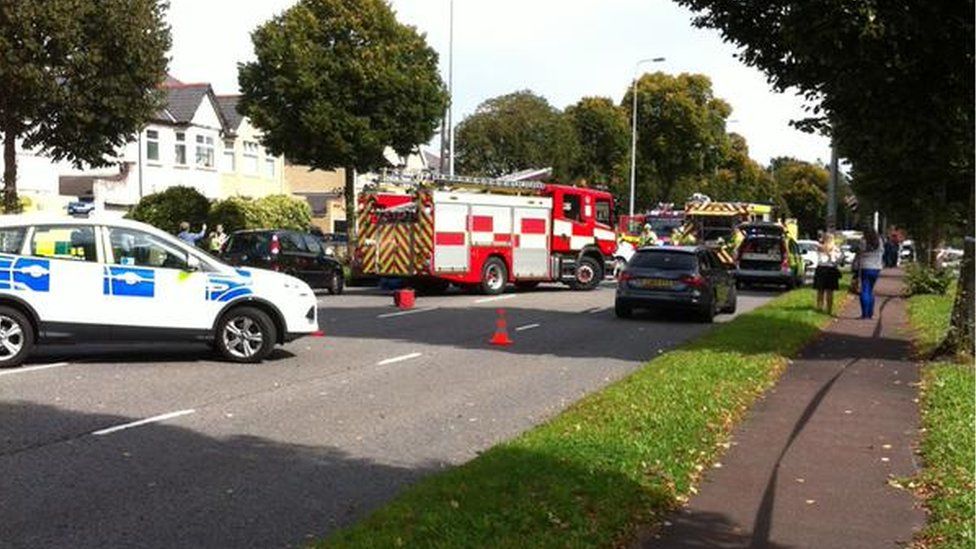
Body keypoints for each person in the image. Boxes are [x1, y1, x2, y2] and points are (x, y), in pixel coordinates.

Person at [855, 228, 884, 319]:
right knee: (870, 289)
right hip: (876, 267)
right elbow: (882, 252)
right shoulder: (879, 241)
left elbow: (859, 252)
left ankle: (865, 314)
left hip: (865, 266)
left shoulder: (863, 241)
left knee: (865, 289)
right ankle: (870, 313)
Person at [813, 232, 841, 315]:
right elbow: (836, 260)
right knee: (830, 291)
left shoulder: (819, 248)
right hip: (831, 269)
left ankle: (819, 307)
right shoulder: (835, 248)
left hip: (821, 269)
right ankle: (829, 309)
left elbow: (817, 258)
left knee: (820, 290)